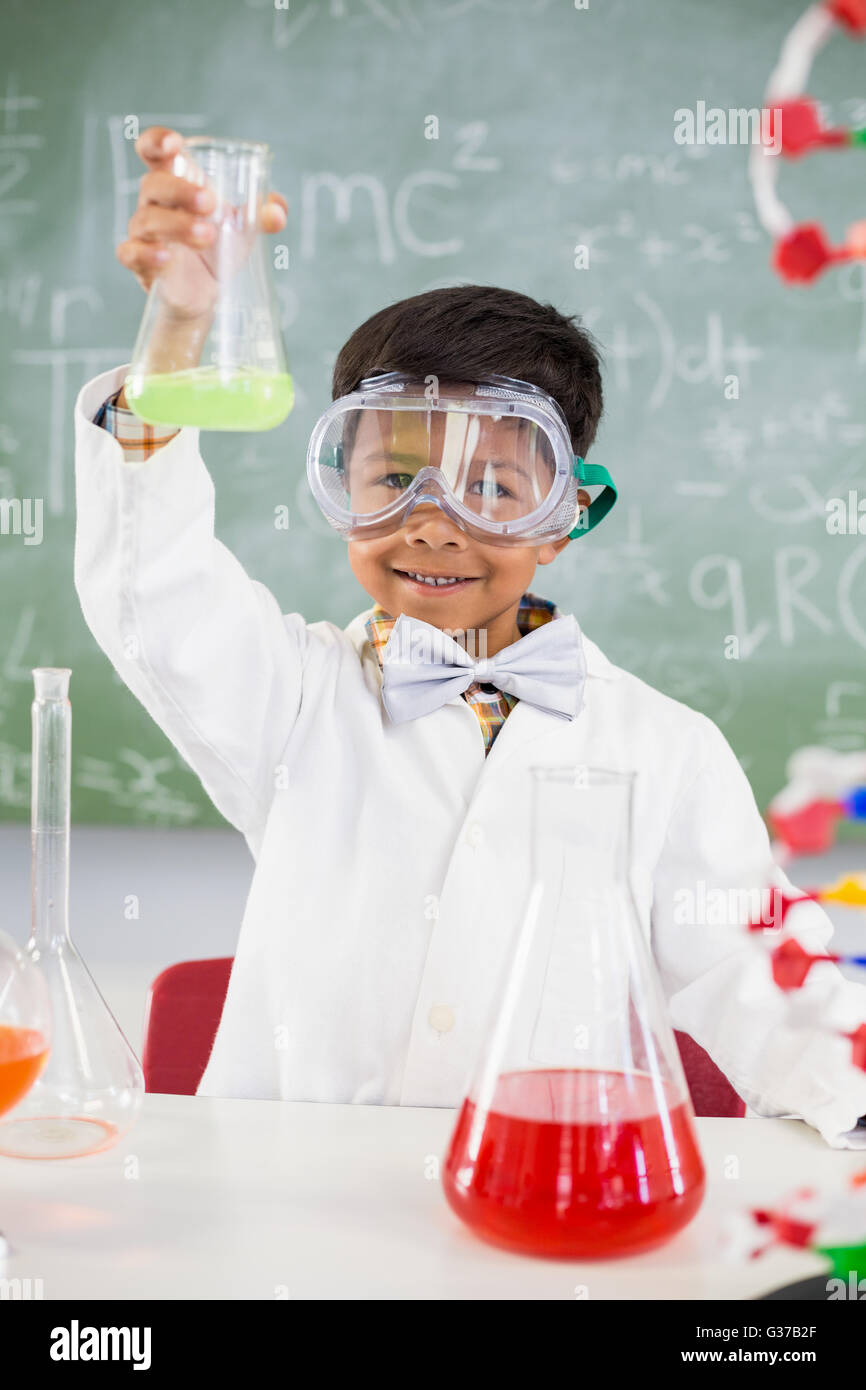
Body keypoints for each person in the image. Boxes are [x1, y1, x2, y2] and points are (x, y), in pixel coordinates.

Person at [73, 126, 866, 1146]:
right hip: (292, 1218)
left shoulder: (666, 751)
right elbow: (153, 594)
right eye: (395, 476)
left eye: (495, 483)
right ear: (338, 485)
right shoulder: (294, 696)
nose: (437, 519)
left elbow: (750, 968)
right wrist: (176, 337)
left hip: (557, 1203)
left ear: (566, 517)